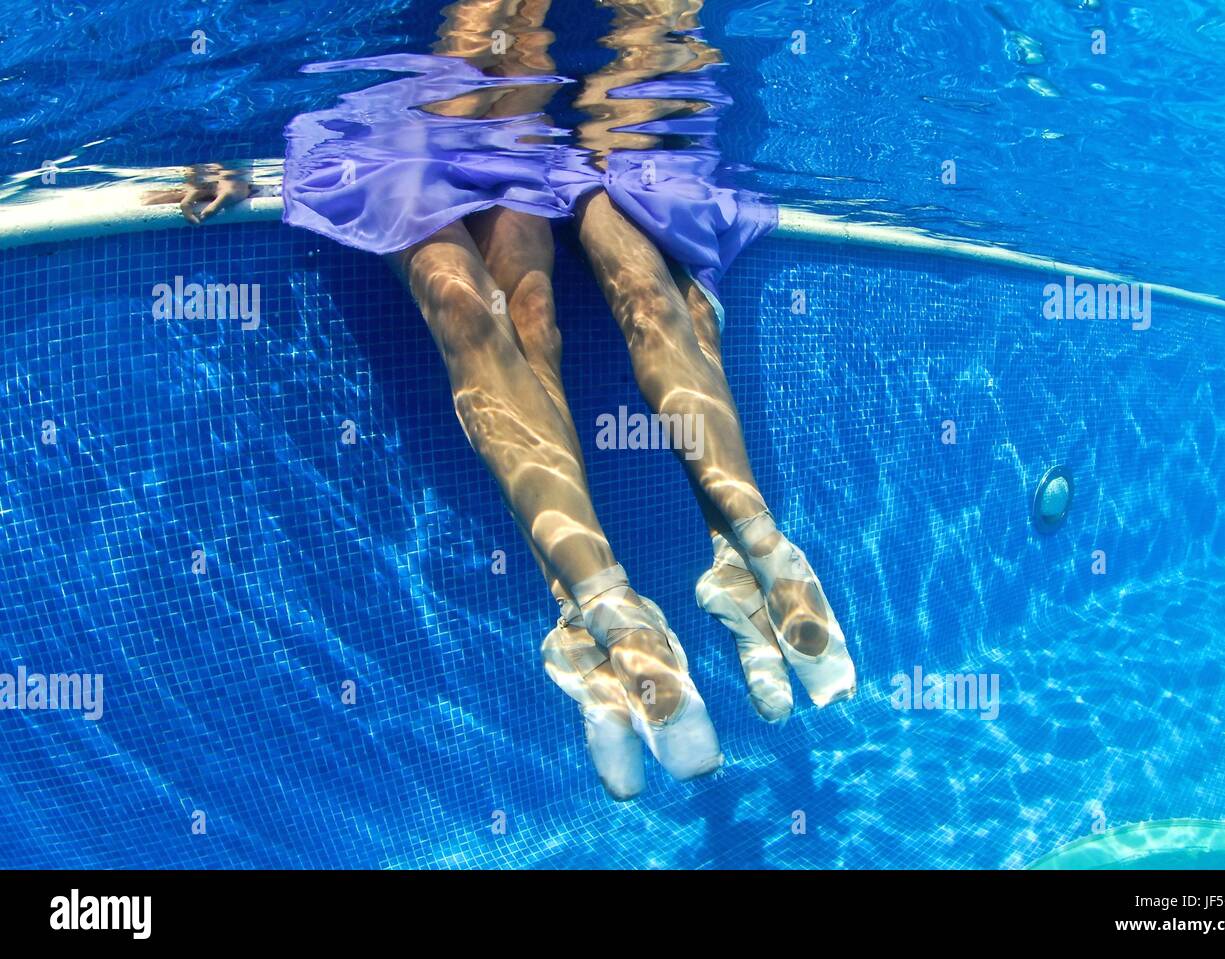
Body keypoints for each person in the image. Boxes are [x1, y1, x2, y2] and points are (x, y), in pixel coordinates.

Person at [213, 0, 854, 800]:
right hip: (406, 128)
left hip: (517, 144)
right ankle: (612, 605)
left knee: (537, 318)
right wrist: (227, 158)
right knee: (461, 305)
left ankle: (631, 599)